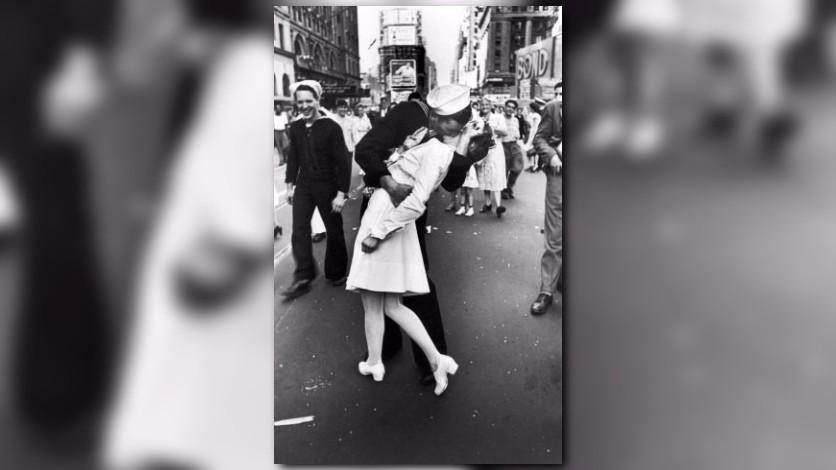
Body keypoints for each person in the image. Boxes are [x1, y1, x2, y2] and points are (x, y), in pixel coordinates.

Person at [347, 106, 494, 396]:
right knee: (387, 299)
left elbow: (430, 192)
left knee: (387, 296)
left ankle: (426, 360)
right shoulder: (417, 125)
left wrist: (378, 232)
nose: (451, 126)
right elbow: (370, 153)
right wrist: (394, 168)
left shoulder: (442, 145)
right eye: (450, 119)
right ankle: (381, 359)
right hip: (390, 211)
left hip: (389, 216)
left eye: (459, 123)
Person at [282, 80, 351, 299]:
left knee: (334, 229)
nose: (304, 106)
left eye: (308, 101)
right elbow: (293, 158)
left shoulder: (331, 127)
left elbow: (343, 162)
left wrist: (341, 193)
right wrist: (289, 186)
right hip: (305, 184)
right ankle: (304, 275)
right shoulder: (296, 127)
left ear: (317, 100)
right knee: (299, 229)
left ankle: (336, 271)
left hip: (328, 184)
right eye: (300, 102)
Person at [530, 86, 564, 316]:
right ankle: (547, 291)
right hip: (559, 177)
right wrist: (551, 156)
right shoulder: (553, 107)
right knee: (554, 237)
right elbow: (540, 138)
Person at [475, 99, 507, 217]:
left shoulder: (498, 117)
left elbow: (505, 132)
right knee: (485, 174)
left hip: (496, 149)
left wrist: (493, 127)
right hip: (483, 149)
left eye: (487, 104)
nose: (484, 106)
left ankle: (498, 205)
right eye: (482, 105)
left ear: (491, 106)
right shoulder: (478, 119)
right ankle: (487, 203)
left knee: (496, 174)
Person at [500, 100, 525, 200]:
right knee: (504, 170)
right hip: (503, 145)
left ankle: (509, 187)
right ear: (505, 107)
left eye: (512, 108)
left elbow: (518, 133)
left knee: (518, 167)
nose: (510, 109)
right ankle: (504, 190)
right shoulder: (499, 118)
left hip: (514, 145)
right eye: (508, 106)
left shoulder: (515, 120)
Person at [524, 98, 545, 171]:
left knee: (535, 151)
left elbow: (535, 126)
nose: (528, 109)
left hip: (534, 134)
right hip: (531, 133)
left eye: (529, 108)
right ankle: (533, 165)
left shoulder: (535, 115)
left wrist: (535, 136)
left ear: (532, 108)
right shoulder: (533, 115)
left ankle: (535, 166)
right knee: (532, 150)